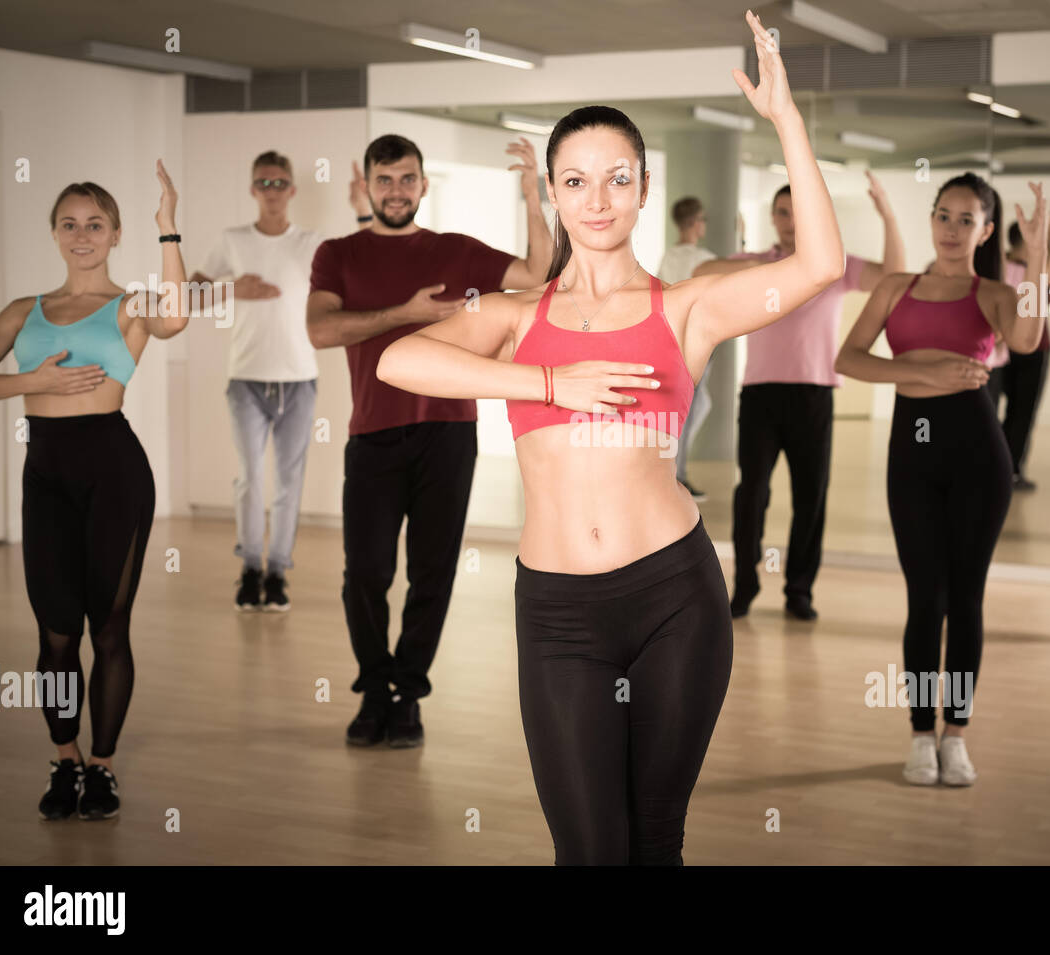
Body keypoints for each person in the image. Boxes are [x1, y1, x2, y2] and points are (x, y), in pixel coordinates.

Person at [376, 10, 845, 863]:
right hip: (558, 612)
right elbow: (399, 361)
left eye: (617, 179)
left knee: (654, 838)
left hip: (675, 596)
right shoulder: (514, 316)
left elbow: (819, 266)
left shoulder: (688, 306)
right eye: (577, 181)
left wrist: (786, 120)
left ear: (643, 188)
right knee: (590, 847)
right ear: (553, 193)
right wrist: (549, 382)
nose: (598, 200)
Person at [307, 134, 553, 749]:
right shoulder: (338, 253)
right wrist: (405, 314)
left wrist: (532, 199)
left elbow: (538, 276)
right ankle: (373, 687)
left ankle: (407, 695)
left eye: (407, 179)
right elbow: (320, 329)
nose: (396, 191)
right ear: (366, 186)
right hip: (373, 433)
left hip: (449, 433)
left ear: (423, 184)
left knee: (431, 571)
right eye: (384, 180)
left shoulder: (458, 251)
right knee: (365, 571)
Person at [0, 163, 188, 819]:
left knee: (110, 626)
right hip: (46, 476)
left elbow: (177, 320)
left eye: (95, 223)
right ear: (55, 233)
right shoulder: (22, 311)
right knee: (57, 632)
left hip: (115, 471)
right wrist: (30, 384)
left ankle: (102, 766)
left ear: (116, 232)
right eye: (70, 223)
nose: (82, 234)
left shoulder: (131, 306)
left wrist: (168, 229)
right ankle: (64, 759)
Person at [835, 173, 1049, 787]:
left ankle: (956, 735)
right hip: (914, 455)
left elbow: (1029, 338)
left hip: (980, 457)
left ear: (986, 230)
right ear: (932, 220)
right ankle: (919, 734)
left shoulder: (992, 294)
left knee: (965, 598)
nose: (952, 230)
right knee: (924, 600)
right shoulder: (896, 287)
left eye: (967, 220)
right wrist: (929, 373)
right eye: (944, 216)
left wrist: (1035, 255)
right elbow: (848, 359)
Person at [695, 170, 906, 620]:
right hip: (759, 396)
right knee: (751, 492)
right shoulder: (756, 261)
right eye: (782, 213)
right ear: (773, 218)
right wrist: (760, 266)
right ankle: (745, 584)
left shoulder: (833, 264)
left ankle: (799, 590)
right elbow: (703, 272)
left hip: (814, 395)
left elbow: (894, 274)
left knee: (811, 496)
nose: (790, 221)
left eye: (797, 212)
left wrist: (886, 212)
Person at [189, 151, 367, 612]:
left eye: (279, 182)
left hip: (299, 380)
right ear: (253, 190)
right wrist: (232, 289)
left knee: (289, 480)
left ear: (292, 190)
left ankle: (276, 573)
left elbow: (366, 267)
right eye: (263, 183)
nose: (272, 190)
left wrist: (363, 209)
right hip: (245, 380)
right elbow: (189, 295)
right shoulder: (232, 241)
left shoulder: (312, 243)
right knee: (251, 478)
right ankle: (249, 569)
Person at [988, 219, 1050, 490]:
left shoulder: (1041, 270)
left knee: (1023, 413)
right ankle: (993, 467)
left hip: (1036, 349)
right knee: (990, 410)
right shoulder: (999, 266)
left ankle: (1011, 471)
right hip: (1000, 348)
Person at [657, 196, 717, 500]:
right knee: (689, 411)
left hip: (671, 340)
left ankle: (673, 467)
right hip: (693, 343)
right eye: (703, 219)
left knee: (696, 405)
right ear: (695, 223)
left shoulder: (669, 256)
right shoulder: (704, 258)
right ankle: (677, 476)